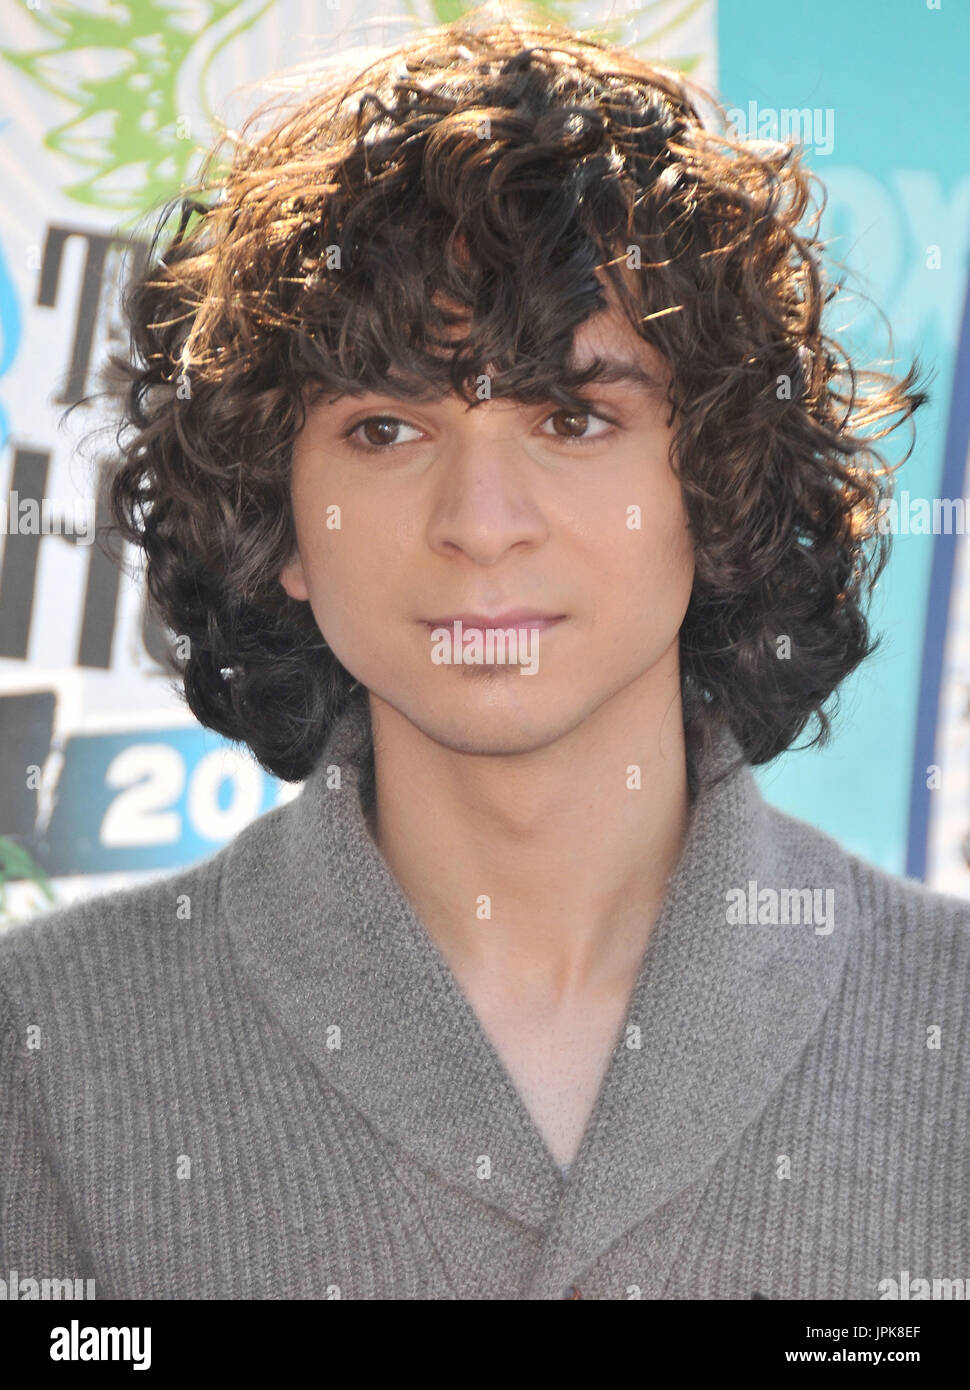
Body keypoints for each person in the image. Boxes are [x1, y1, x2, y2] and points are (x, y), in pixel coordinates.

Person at [2, 4, 967, 1302]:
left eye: (569, 416)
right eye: (385, 430)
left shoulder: (946, 1021)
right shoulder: (44, 1039)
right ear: (282, 520)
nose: (480, 524)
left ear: (714, 481)